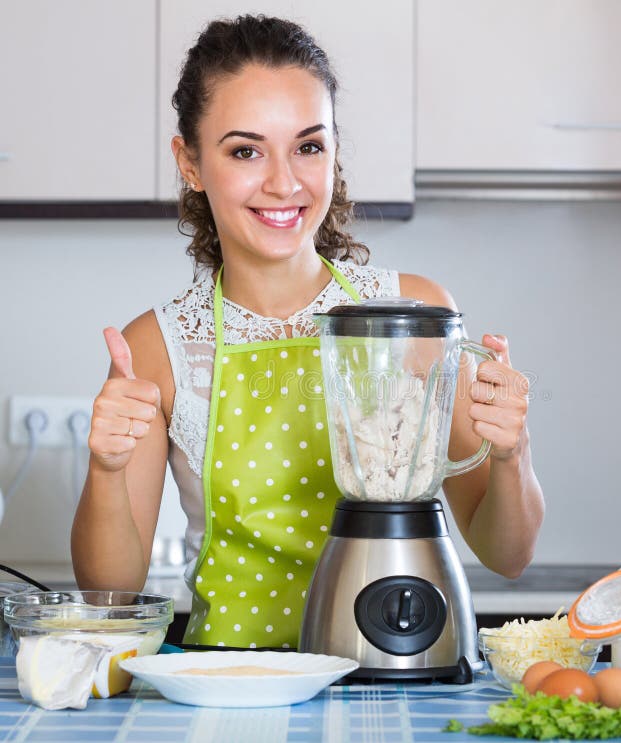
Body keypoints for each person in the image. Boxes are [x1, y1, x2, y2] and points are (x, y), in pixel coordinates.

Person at [71, 14, 544, 648]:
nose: (284, 182)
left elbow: (508, 555)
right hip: (233, 687)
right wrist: (105, 467)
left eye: (308, 146)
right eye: (245, 151)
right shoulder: (157, 347)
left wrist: (511, 453)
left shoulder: (416, 316)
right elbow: (113, 591)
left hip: (395, 676)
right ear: (189, 162)